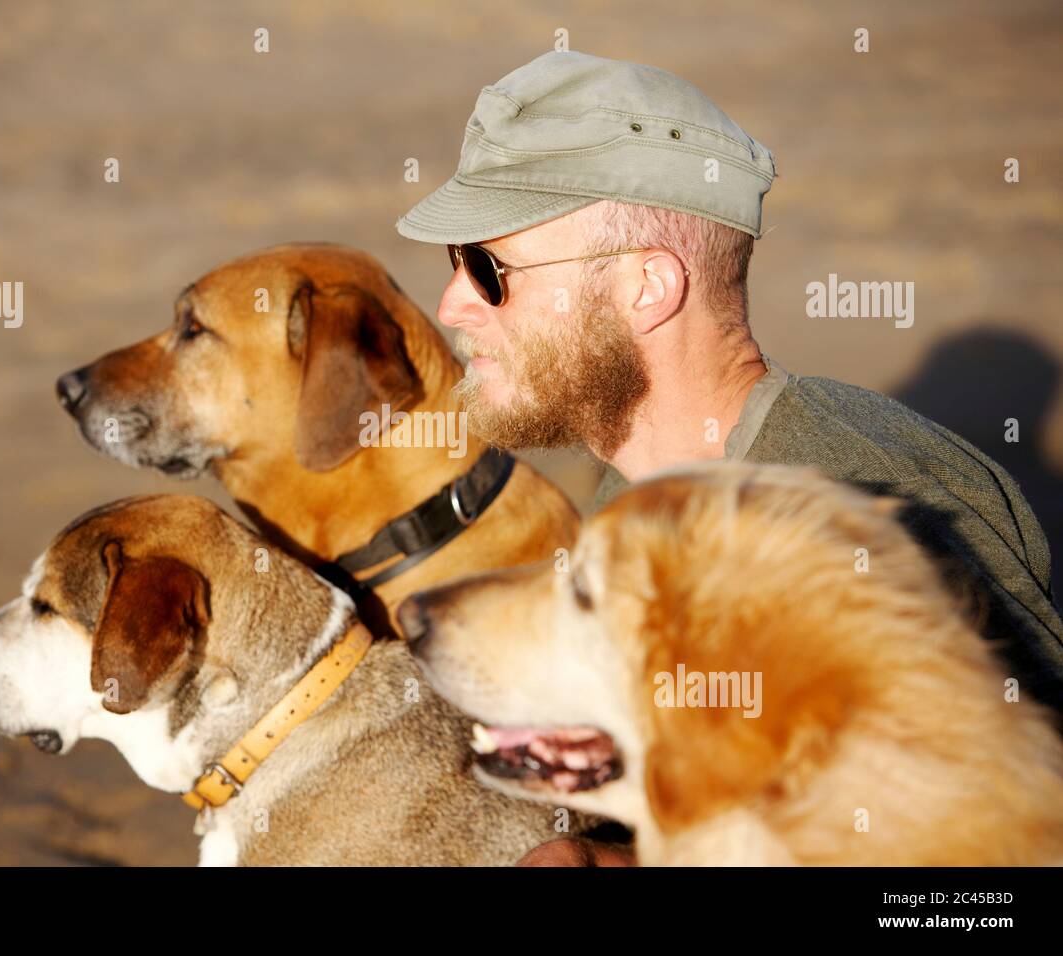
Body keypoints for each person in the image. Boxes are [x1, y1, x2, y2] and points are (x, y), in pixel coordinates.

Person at [395, 50, 1063, 866]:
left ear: (649, 286)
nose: (451, 305)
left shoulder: (854, 512)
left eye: (489, 269)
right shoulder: (639, 494)